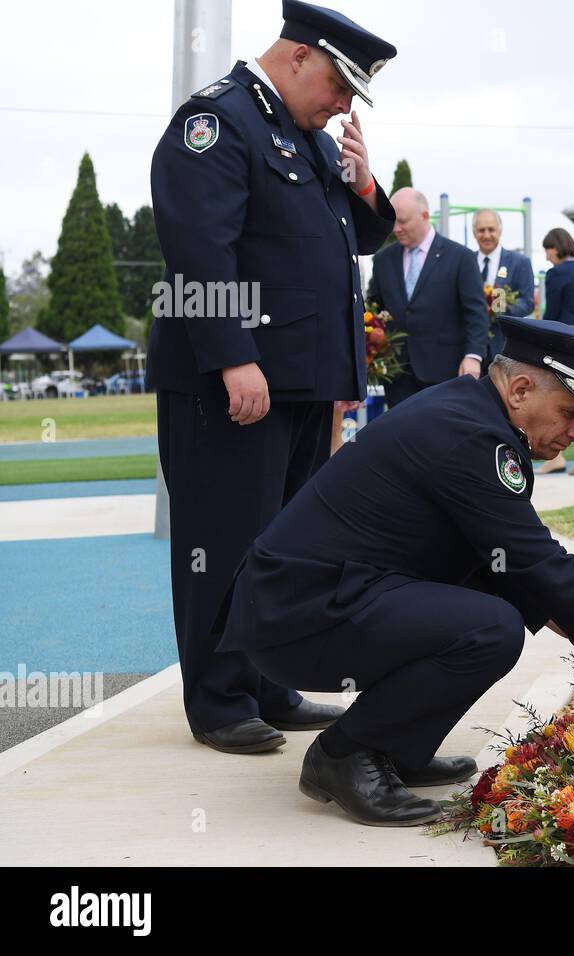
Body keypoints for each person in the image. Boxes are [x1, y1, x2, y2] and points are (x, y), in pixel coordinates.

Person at [214, 316, 574, 826]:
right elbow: (545, 571)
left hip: (309, 601)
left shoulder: (469, 413)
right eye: (570, 412)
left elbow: (516, 574)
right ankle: (346, 754)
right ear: (520, 389)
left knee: (489, 613)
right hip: (299, 617)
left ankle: (396, 748)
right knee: (489, 629)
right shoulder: (475, 438)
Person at [147, 0, 397, 755]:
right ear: (296, 58)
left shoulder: (304, 136)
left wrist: (362, 185)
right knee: (222, 541)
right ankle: (219, 701)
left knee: (281, 545)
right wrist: (232, 357)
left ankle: (266, 682)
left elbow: (356, 241)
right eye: (340, 87)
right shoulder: (217, 123)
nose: (343, 105)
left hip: (300, 381)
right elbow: (198, 251)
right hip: (234, 381)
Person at [371, 188, 487, 406]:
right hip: (396, 375)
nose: (396, 228)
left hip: (445, 372)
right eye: (394, 221)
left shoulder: (460, 257)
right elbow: (373, 309)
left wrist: (473, 356)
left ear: (424, 216)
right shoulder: (383, 260)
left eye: (403, 221)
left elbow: (476, 312)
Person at [537, 227, 574, 475]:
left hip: (566, 339)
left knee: (556, 398)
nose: (547, 256)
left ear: (556, 247)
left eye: (547, 250)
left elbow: (552, 312)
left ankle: (556, 457)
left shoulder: (556, 273)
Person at [473, 208, 535, 360]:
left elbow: (527, 303)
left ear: (500, 231)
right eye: (481, 230)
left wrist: (503, 306)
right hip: (472, 349)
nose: (487, 235)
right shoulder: (466, 261)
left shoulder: (520, 262)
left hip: (505, 347)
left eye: (491, 229)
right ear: (474, 232)